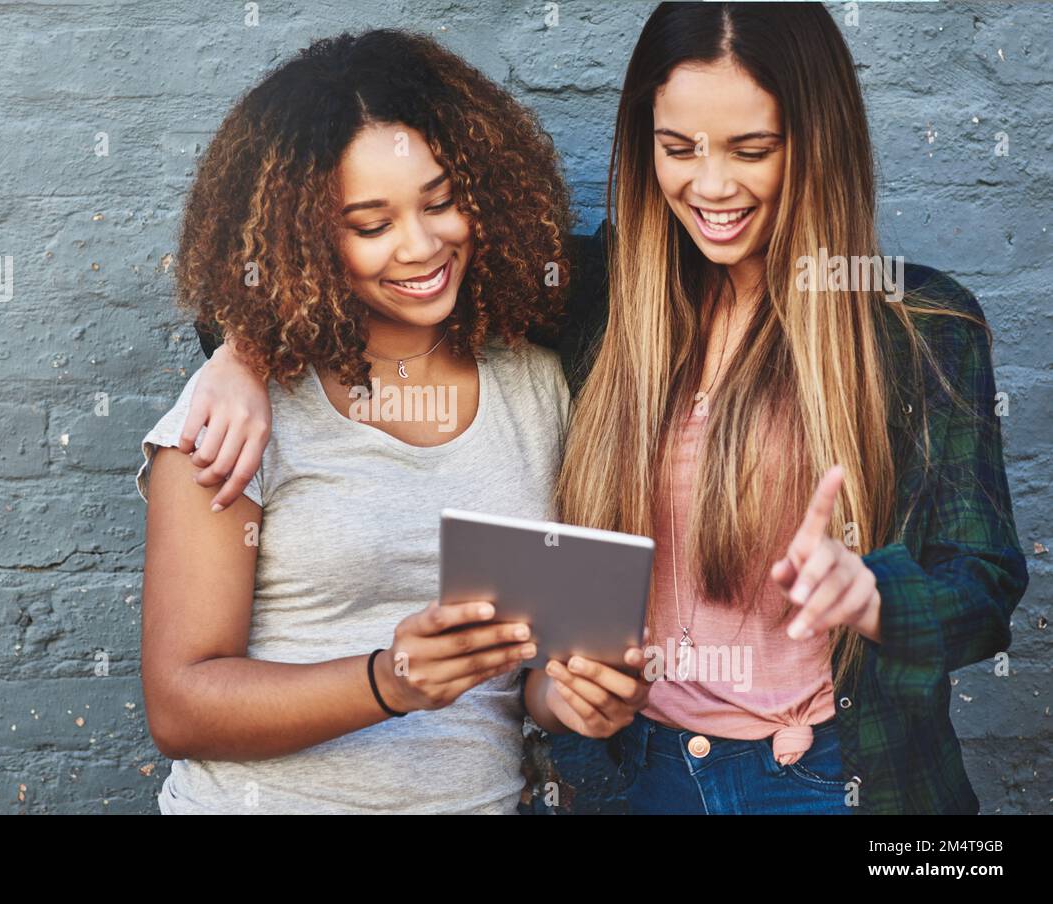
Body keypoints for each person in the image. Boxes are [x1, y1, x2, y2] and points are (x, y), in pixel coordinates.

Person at [181, 4, 1028, 815]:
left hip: (846, 777)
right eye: (678, 149)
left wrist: (874, 596)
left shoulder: (919, 329)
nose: (713, 184)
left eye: (752, 148)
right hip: (654, 779)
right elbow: (363, 272)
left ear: (817, 143)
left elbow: (984, 594)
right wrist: (237, 354)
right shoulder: (596, 299)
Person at [137, 29, 650, 815]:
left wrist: (575, 698)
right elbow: (180, 705)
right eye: (371, 225)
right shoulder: (235, 416)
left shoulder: (538, 388)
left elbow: (531, 675)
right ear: (304, 238)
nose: (420, 246)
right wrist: (389, 681)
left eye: (442, 202)